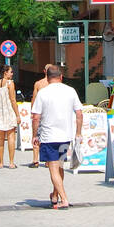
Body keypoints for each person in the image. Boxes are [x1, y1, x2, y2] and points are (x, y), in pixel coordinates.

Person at [31, 64, 83, 210]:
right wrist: (78, 133)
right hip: (66, 135)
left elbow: (36, 117)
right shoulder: (70, 91)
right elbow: (79, 114)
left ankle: (64, 199)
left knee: (53, 169)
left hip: (49, 136)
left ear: (47, 78)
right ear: (61, 77)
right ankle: (55, 195)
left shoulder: (43, 93)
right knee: (59, 166)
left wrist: (35, 135)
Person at [0, 65, 19, 169]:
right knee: (11, 137)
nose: (12, 73)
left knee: (0, 138)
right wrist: (17, 115)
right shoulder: (10, 84)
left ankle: (1, 162)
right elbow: (13, 100)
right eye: (11, 72)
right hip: (8, 112)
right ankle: (11, 162)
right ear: (5, 72)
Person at [28, 65, 51, 168]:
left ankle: (35, 160)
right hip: (51, 113)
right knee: (48, 137)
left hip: (40, 113)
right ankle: (47, 161)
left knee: (36, 135)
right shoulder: (55, 84)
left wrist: (32, 112)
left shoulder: (38, 84)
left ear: (44, 71)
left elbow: (34, 98)